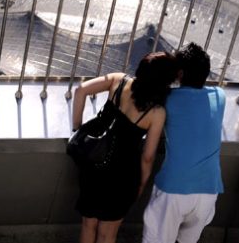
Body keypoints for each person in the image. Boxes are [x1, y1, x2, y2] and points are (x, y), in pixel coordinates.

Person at [72, 52, 178, 243]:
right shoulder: (156, 112)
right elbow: (147, 157)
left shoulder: (118, 80)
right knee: (107, 234)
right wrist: (141, 184)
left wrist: (77, 128)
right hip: (123, 175)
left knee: (89, 225)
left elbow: (80, 91)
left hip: (94, 166)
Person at [143, 43, 225, 243]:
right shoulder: (220, 96)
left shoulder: (167, 99)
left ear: (179, 73)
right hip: (209, 189)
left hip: (173, 188)